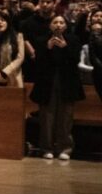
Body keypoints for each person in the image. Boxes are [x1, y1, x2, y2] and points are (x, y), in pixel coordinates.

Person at [30, 14, 82, 161]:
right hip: (47, 83)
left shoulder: (73, 39)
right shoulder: (42, 40)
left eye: (61, 22)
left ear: (65, 25)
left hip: (67, 83)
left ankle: (65, 148)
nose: (58, 25)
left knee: (66, 117)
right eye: (55, 22)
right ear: (50, 25)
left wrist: (65, 48)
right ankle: (46, 148)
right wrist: (47, 48)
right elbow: (37, 63)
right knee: (47, 117)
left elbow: (75, 61)